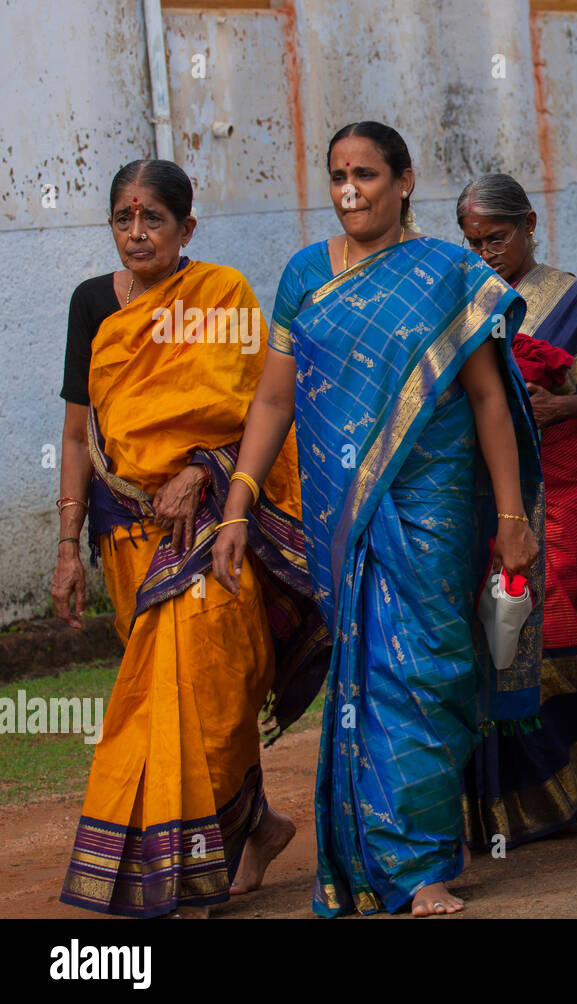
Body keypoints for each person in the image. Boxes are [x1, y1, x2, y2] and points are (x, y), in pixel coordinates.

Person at [211, 122, 543, 917]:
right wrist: (237, 506)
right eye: (337, 175)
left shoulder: (447, 272)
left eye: (365, 173)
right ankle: (382, 851)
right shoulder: (302, 275)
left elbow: (491, 397)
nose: (350, 188)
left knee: (425, 669)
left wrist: (511, 514)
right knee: (366, 674)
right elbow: (273, 398)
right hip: (341, 513)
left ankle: (422, 863)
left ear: (403, 180)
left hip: (432, 502)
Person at [53, 159, 327, 918]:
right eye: (123, 220)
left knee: (212, 685)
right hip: (128, 535)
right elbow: (78, 436)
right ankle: (259, 826)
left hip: (214, 524)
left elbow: (266, 410)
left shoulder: (224, 296)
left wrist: (205, 469)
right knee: (162, 693)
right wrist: (66, 544)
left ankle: (185, 870)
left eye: (154, 221)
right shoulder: (90, 305)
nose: (136, 234)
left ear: (187, 229)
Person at [456, 173, 577, 843]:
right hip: (486, 492)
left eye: (498, 237)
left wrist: (568, 404)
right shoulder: (463, 300)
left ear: (530, 224)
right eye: (473, 240)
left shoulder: (572, 297)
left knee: (552, 617)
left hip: (562, 483)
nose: (486, 251)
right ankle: (513, 792)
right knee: (495, 629)